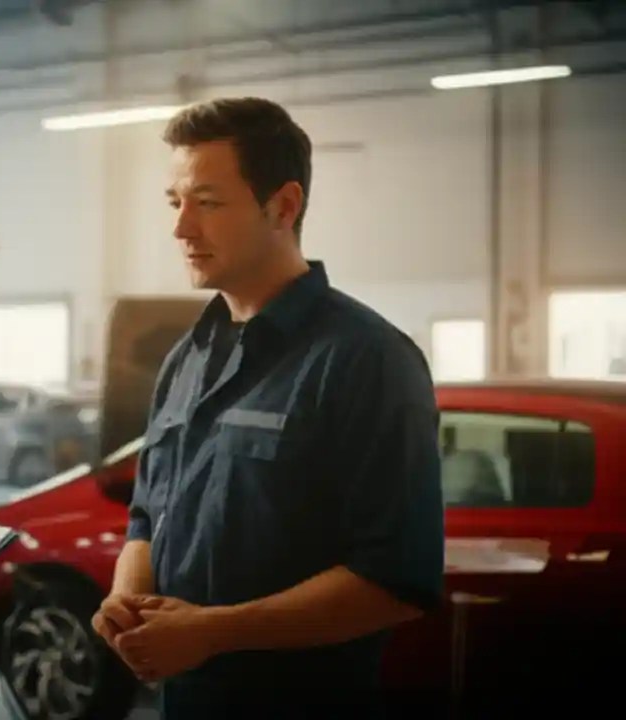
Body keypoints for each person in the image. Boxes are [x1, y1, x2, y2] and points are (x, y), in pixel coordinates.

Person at [90, 97, 445, 718]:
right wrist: (126, 594)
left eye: (208, 202)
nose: (181, 229)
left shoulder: (366, 360)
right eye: (176, 203)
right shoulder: (186, 358)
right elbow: (148, 516)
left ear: (283, 205)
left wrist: (215, 631)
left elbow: (396, 582)